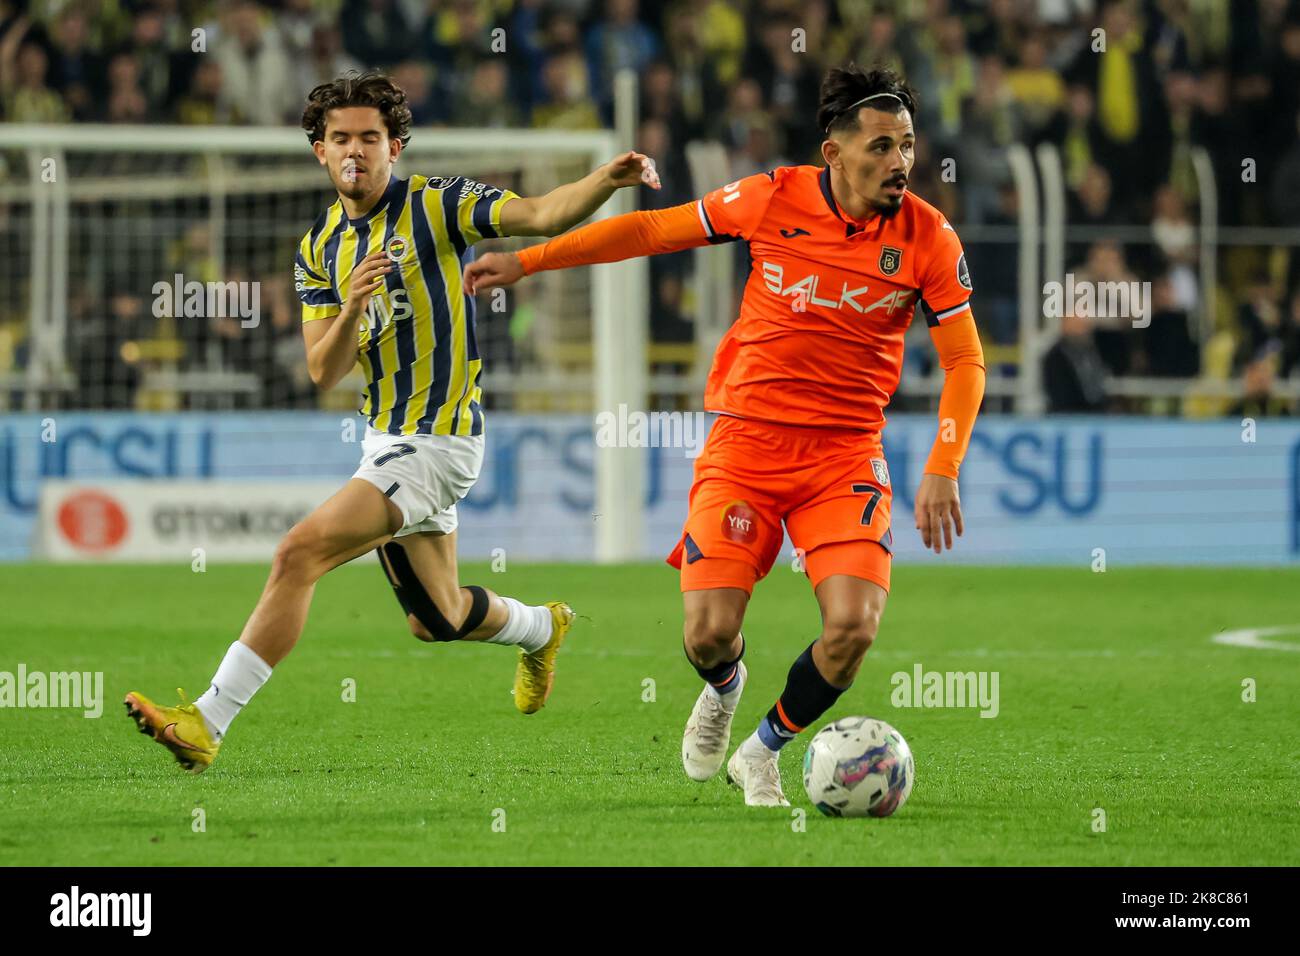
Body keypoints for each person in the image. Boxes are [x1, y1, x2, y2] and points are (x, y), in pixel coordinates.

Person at [465, 65, 986, 807]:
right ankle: (725, 683)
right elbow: (650, 229)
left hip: (843, 457)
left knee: (853, 627)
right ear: (833, 154)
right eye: (880, 147)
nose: (899, 162)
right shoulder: (772, 196)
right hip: (746, 444)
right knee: (709, 632)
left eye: (906, 145)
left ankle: (763, 749)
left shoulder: (928, 236)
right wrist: (528, 259)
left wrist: (945, 461)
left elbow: (966, 359)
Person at [125, 70, 660, 773]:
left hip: (437, 441)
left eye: (370, 138)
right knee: (435, 618)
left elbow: (540, 213)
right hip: (385, 440)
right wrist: (351, 306)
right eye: (340, 138)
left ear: (395, 146)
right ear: (319, 151)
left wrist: (605, 179)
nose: (356, 151)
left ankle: (207, 721)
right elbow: (322, 368)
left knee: (297, 553)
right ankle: (540, 628)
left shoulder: (438, 205)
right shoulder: (318, 248)